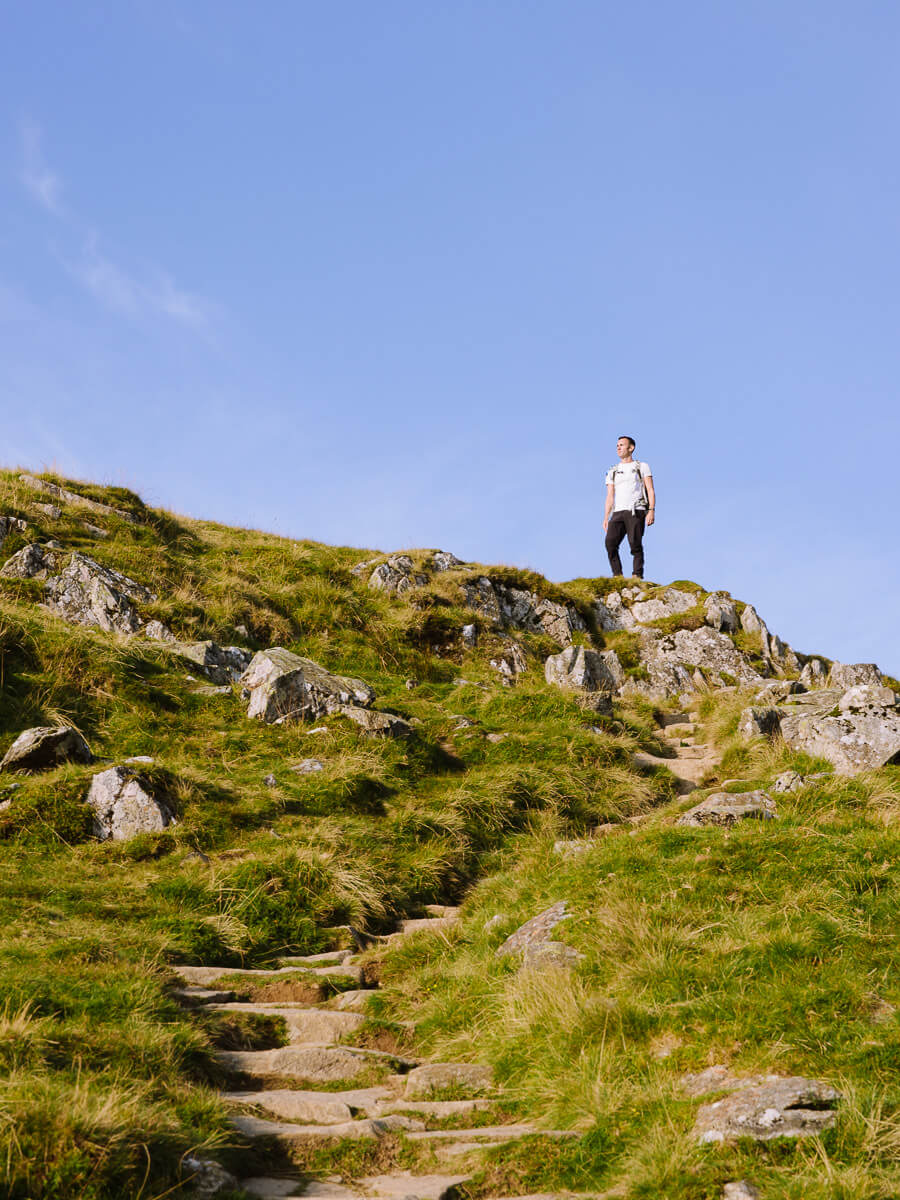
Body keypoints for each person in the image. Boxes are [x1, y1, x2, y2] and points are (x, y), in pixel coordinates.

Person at [603, 436, 655, 579]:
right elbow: (610, 496)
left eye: (622, 445)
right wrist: (606, 517)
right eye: (617, 445)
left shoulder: (642, 466)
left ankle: (637, 575)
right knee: (610, 543)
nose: (618, 448)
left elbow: (650, 489)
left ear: (631, 448)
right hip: (618, 512)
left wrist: (651, 510)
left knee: (634, 543)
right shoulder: (612, 471)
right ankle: (617, 576)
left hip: (636, 510)